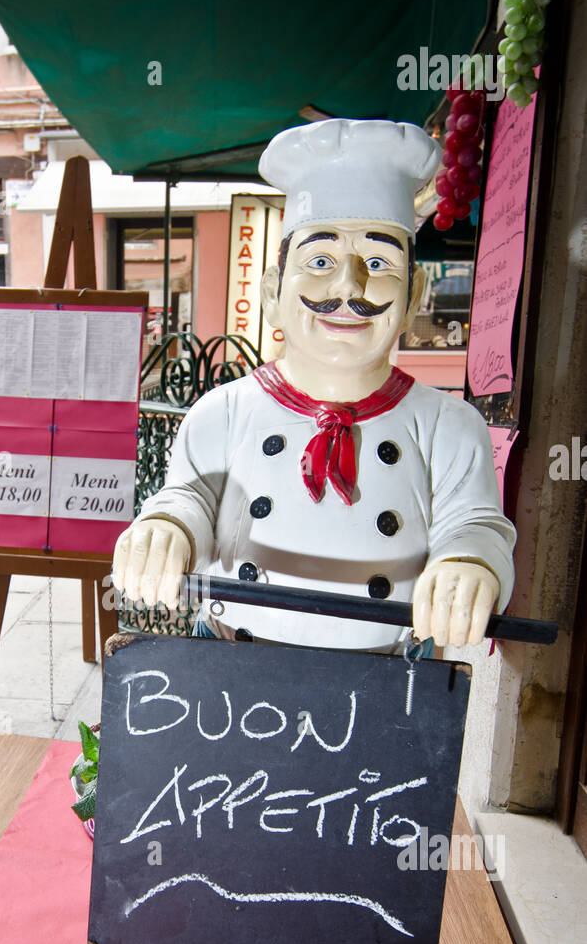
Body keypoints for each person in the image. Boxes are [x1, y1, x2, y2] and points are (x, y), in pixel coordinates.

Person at [113, 118, 516, 653]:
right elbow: (189, 497)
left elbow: (475, 522)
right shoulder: (221, 412)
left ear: (414, 293)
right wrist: (166, 528)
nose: (349, 286)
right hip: (233, 675)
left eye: (378, 263)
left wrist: (468, 561)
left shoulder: (449, 426)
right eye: (320, 261)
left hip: (384, 686)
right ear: (274, 291)